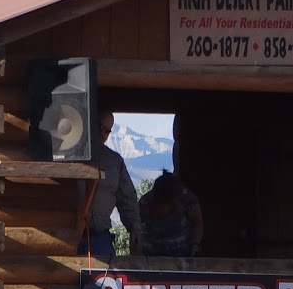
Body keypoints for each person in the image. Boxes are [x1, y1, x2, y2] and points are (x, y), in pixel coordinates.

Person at [79, 110, 140, 263]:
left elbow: (127, 198)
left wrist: (134, 227)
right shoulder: (65, 157)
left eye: (107, 130)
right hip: (69, 235)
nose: (102, 133)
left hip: (101, 237)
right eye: (100, 127)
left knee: (109, 276)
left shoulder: (114, 162)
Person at [138, 170, 203, 257]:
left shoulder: (187, 199)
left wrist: (195, 244)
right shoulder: (144, 204)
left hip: (183, 254)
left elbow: (197, 223)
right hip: (152, 255)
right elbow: (137, 233)